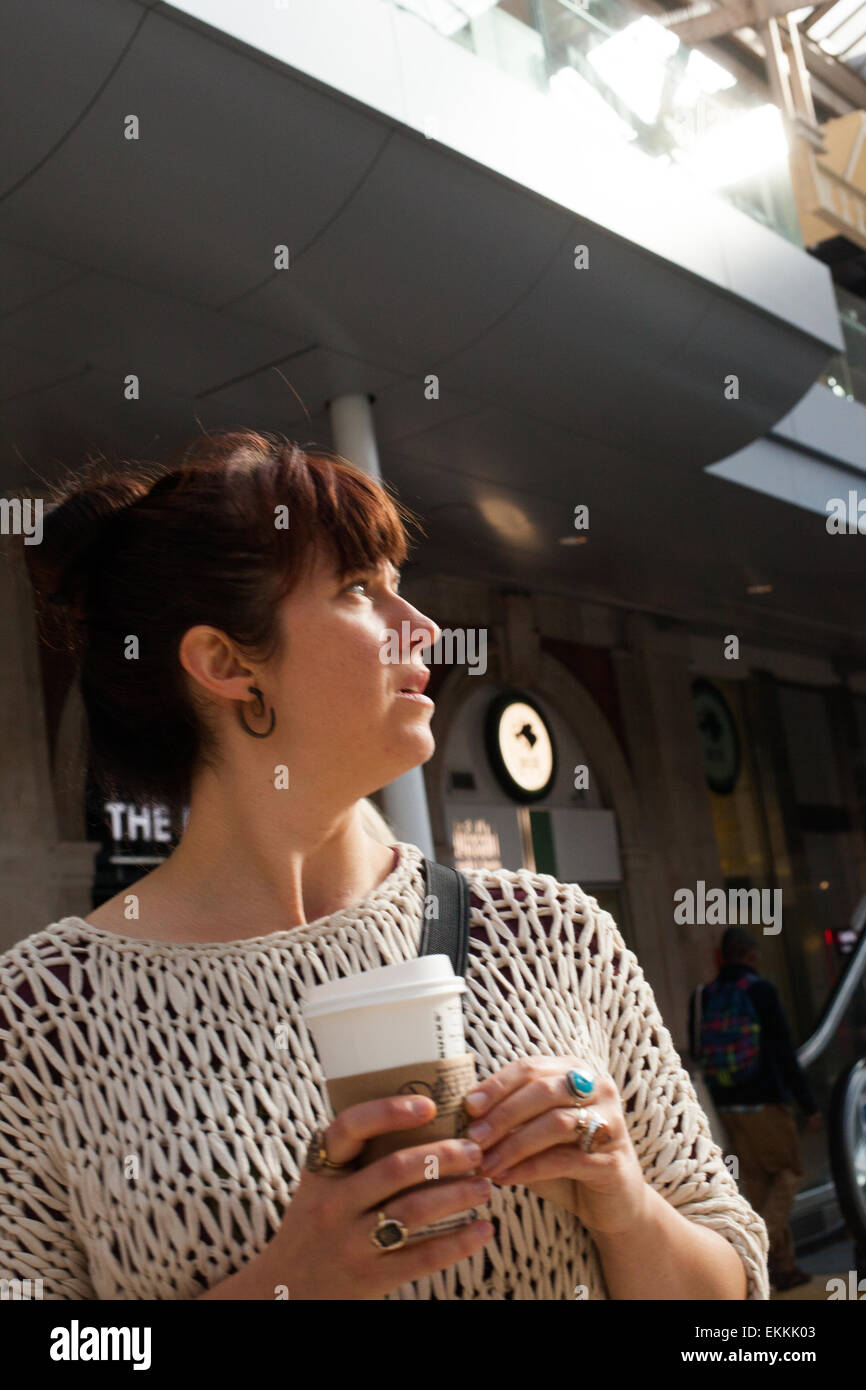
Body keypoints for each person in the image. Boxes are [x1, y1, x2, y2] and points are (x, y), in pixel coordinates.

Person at [0, 429, 770, 1300]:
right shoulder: (43, 1021)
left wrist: (622, 1198)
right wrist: (290, 1283)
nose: (423, 629)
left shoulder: (554, 934)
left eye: (398, 586)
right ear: (226, 662)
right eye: (361, 591)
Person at [688, 925, 822, 1293]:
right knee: (790, 1173)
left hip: (726, 1105)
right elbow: (782, 1052)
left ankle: (784, 1269)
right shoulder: (761, 991)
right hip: (764, 1102)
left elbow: (695, 1053)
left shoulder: (704, 995)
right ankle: (753, 1252)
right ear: (750, 955)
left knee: (762, 1183)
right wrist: (808, 1104)